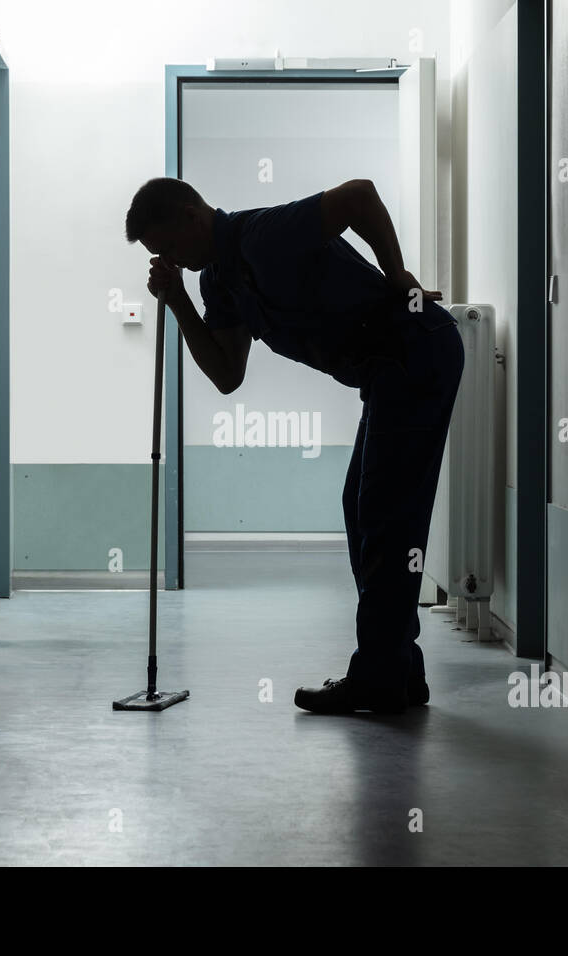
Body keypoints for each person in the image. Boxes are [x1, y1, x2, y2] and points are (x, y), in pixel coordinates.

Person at [125, 177, 464, 715]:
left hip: (416, 348)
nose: (170, 260)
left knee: (382, 515)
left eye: (168, 247)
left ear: (192, 215)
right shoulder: (218, 281)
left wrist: (398, 275)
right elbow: (226, 374)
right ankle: (397, 672)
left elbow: (360, 195)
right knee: (365, 510)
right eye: (157, 256)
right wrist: (177, 302)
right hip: (386, 372)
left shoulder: (262, 234)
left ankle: (379, 678)